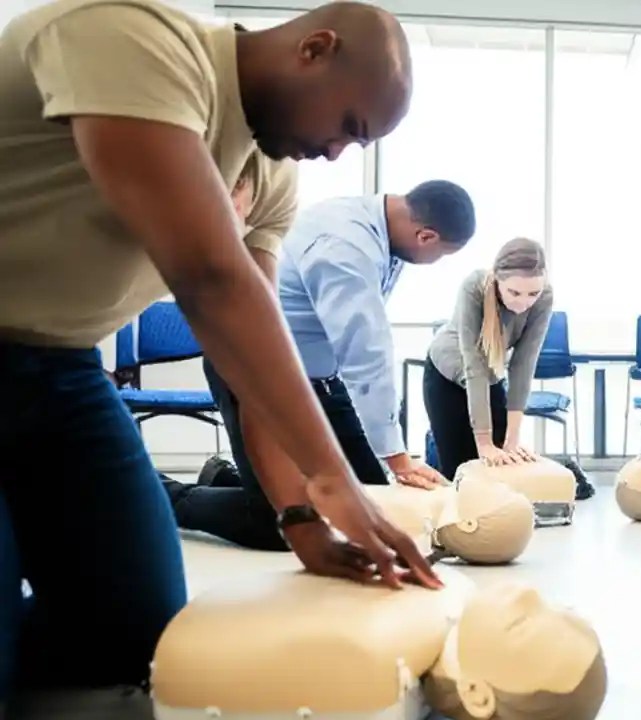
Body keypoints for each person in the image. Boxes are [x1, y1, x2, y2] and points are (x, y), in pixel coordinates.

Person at [0, 0, 438, 712]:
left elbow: (249, 354)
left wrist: (298, 517)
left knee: (137, 634)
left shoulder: (272, 177)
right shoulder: (130, 35)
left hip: (62, 367)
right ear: (314, 49)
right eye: (347, 127)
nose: (336, 153)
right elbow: (211, 282)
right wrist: (334, 479)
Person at [164, 179, 477, 552]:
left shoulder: (380, 226)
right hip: (250, 373)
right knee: (280, 522)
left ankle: (225, 477)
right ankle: (163, 495)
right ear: (425, 236)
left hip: (318, 380)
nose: (436, 262)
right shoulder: (344, 248)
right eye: (441, 253)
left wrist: (391, 460)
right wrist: (399, 460)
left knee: (368, 499)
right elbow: (366, 354)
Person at [423, 238, 553, 481]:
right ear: (498, 280)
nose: (523, 302)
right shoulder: (474, 286)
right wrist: (484, 443)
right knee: (459, 469)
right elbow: (474, 366)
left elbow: (523, 365)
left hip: (491, 373)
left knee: (502, 464)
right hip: (448, 371)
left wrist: (512, 440)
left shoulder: (544, 297)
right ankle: (435, 446)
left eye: (532, 294)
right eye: (514, 292)